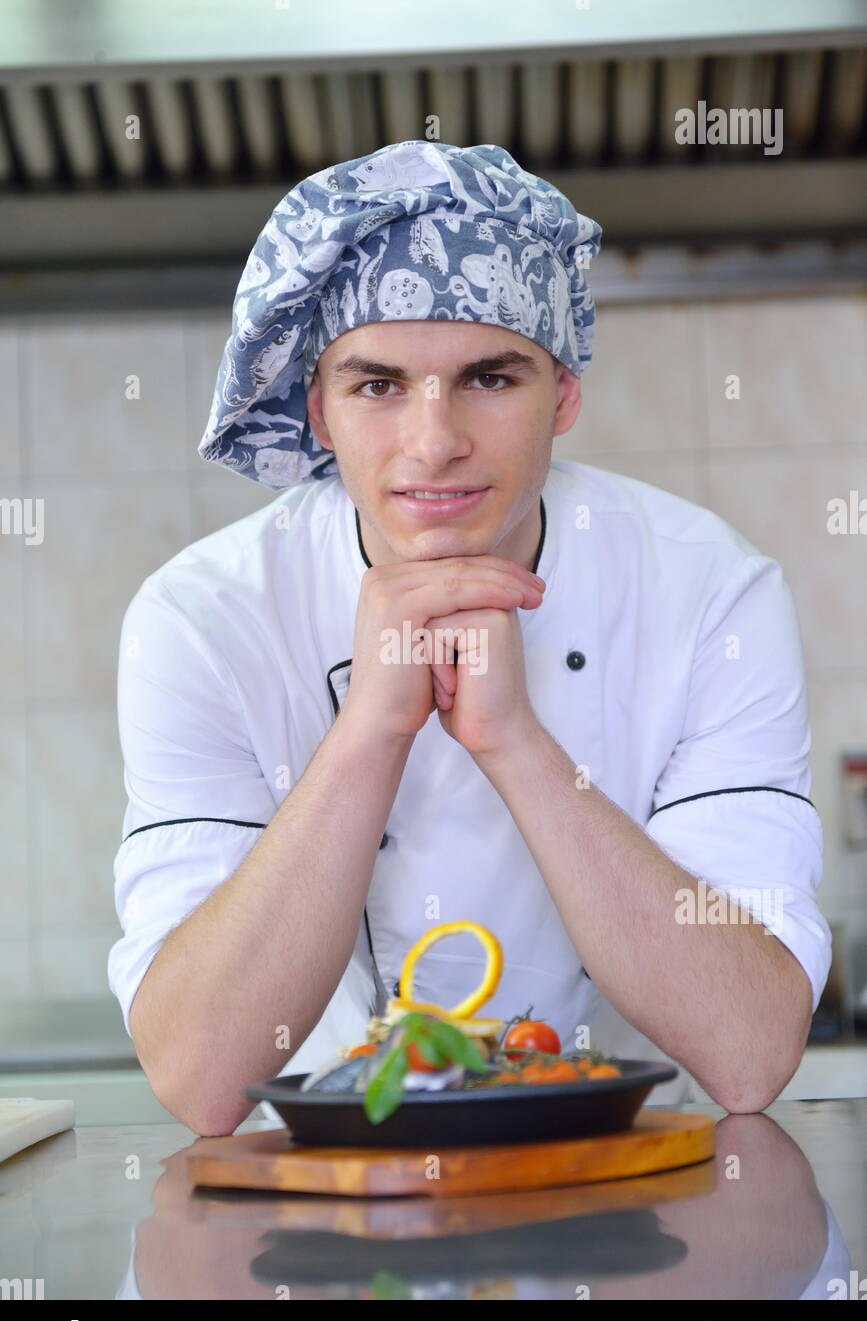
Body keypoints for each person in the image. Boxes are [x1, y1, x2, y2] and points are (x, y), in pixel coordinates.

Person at [109, 140, 830, 1136]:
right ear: (318, 409)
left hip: (637, 1219)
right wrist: (369, 728)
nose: (435, 439)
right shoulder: (203, 620)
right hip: (316, 1226)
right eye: (378, 385)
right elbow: (199, 1074)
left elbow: (749, 1052)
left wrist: (517, 743)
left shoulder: (709, 593)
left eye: (490, 379)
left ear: (564, 394)